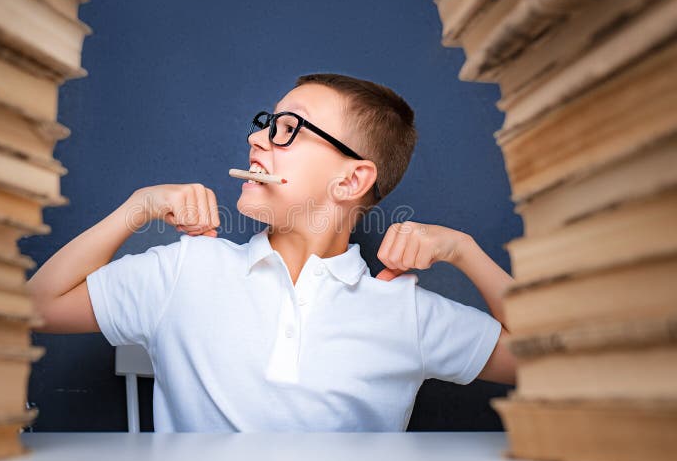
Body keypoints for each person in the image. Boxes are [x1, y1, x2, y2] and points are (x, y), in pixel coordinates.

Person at [27, 73, 517, 432]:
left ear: (351, 180)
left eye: (287, 130)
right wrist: (138, 208)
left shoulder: (401, 311)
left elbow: (550, 359)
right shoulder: (187, 268)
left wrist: (464, 250)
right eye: (265, 125)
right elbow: (33, 309)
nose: (255, 138)